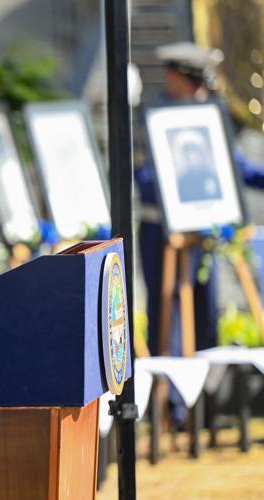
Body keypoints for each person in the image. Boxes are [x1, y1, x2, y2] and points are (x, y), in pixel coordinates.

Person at [137, 41, 264, 423]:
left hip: (203, 231)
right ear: (175, 78)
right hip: (164, 233)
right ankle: (175, 408)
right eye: (194, 84)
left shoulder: (210, 114)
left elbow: (238, 167)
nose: (201, 93)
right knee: (169, 316)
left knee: (205, 315)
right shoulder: (155, 118)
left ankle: (205, 407)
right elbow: (142, 178)